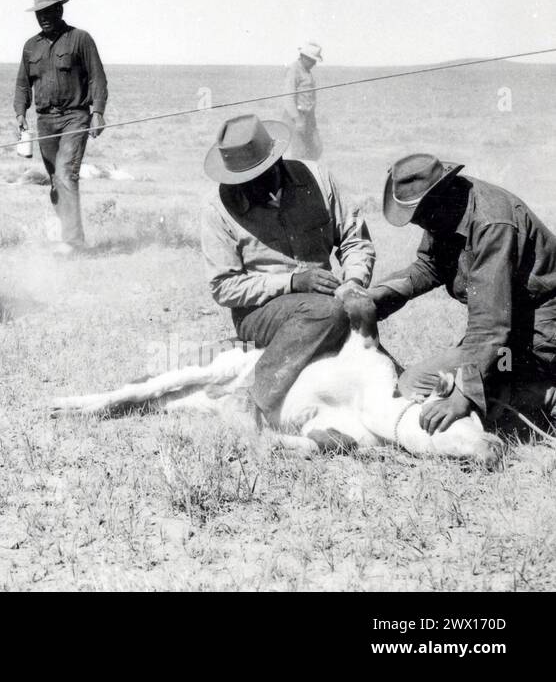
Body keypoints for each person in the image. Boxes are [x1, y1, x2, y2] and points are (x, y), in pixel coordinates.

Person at [201, 113, 375, 425]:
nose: (248, 186)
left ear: (276, 161)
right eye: (240, 180)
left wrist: (353, 282)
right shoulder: (217, 209)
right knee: (327, 313)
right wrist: (292, 282)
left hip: (330, 300)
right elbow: (223, 287)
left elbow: (353, 238)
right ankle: (250, 398)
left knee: (358, 311)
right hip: (260, 312)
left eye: (256, 175)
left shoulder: (318, 180)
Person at [366, 154, 556, 433]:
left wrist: (464, 395)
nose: (419, 224)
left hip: (537, 333)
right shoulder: (446, 208)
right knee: (416, 384)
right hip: (509, 332)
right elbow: (430, 266)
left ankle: (544, 395)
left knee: (461, 401)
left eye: (419, 216)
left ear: (437, 196)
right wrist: (377, 296)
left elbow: (491, 326)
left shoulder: (492, 224)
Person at [13, 0, 108, 254]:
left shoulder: (80, 39)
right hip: (45, 122)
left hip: (75, 117)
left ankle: (74, 242)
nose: (43, 17)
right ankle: (66, 235)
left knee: (66, 174)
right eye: (39, 13)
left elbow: (97, 77)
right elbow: (22, 84)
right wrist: (20, 113)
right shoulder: (30, 46)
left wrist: (98, 111)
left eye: (48, 11)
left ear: (60, 9)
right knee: (56, 180)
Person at [282, 41, 323, 160]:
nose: (315, 63)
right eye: (313, 60)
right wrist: (297, 119)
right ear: (305, 57)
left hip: (308, 118)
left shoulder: (307, 71)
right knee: (300, 154)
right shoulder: (294, 69)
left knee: (316, 148)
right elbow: (288, 97)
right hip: (296, 117)